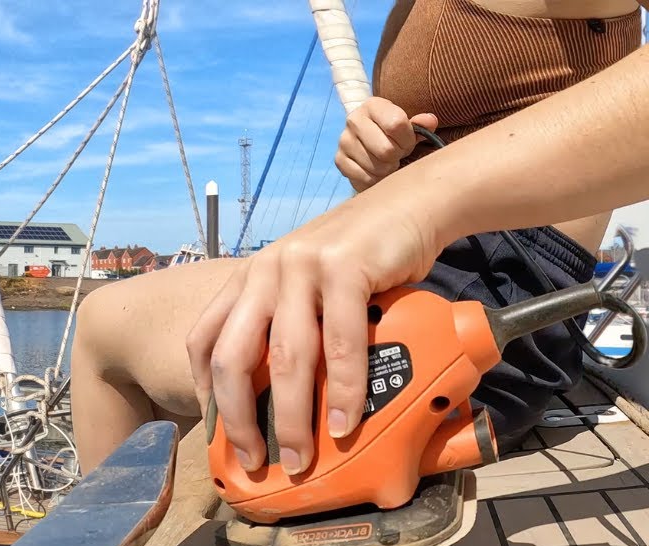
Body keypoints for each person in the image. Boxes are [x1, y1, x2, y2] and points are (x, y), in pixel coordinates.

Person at [70, 1, 649, 475]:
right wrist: (381, 165)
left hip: (488, 311)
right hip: (444, 279)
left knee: (103, 329)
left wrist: (423, 201)